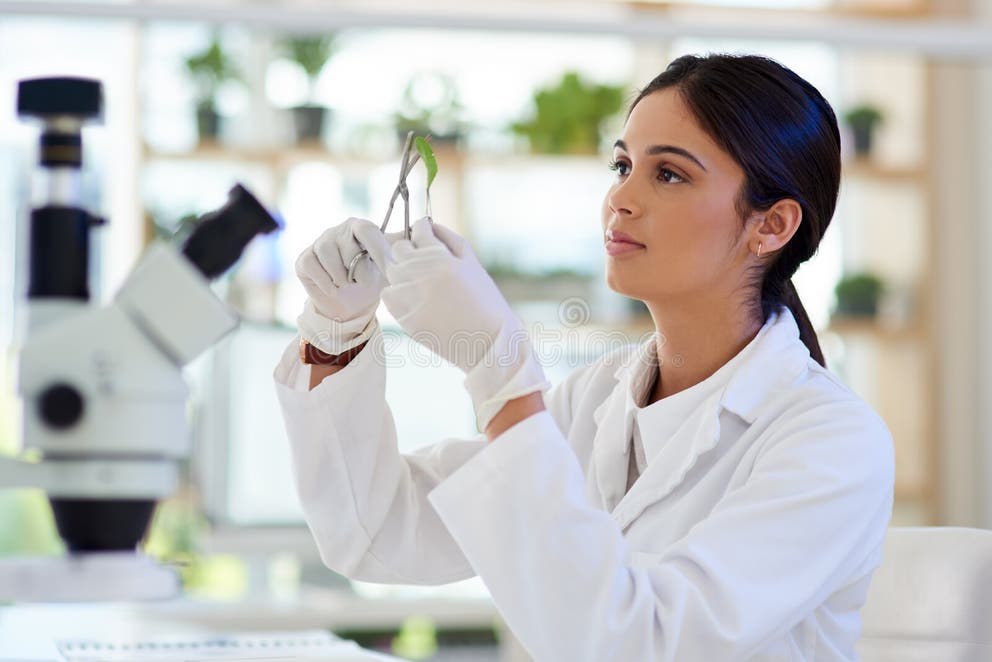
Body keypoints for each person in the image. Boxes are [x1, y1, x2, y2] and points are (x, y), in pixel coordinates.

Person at [274, 53, 894, 661]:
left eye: (669, 174)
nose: (620, 199)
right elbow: (378, 532)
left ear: (772, 225)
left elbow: (636, 642)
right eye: (621, 165)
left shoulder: (831, 442)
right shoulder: (597, 397)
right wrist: (336, 332)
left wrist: (498, 365)